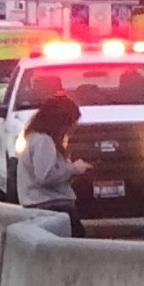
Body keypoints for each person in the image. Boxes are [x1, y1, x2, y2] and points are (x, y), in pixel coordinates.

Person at [17, 94, 91, 238]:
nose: (71, 130)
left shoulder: (35, 138)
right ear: (61, 122)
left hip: (43, 205)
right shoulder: (44, 141)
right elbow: (44, 176)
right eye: (71, 124)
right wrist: (74, 168)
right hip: (52, 206)